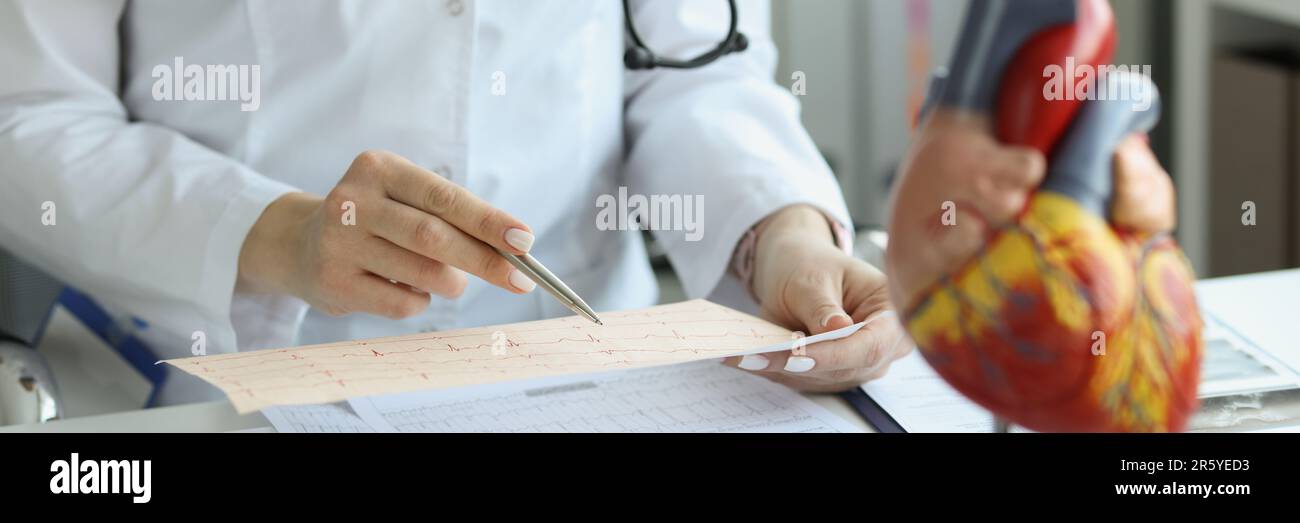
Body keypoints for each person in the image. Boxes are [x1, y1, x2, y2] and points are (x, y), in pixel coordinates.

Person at [0, 0, 1169, 405]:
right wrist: (273, 232)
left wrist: (780, 235)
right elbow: (25, 117)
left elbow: (693, 66)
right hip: (200, 372)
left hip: (575, 368)